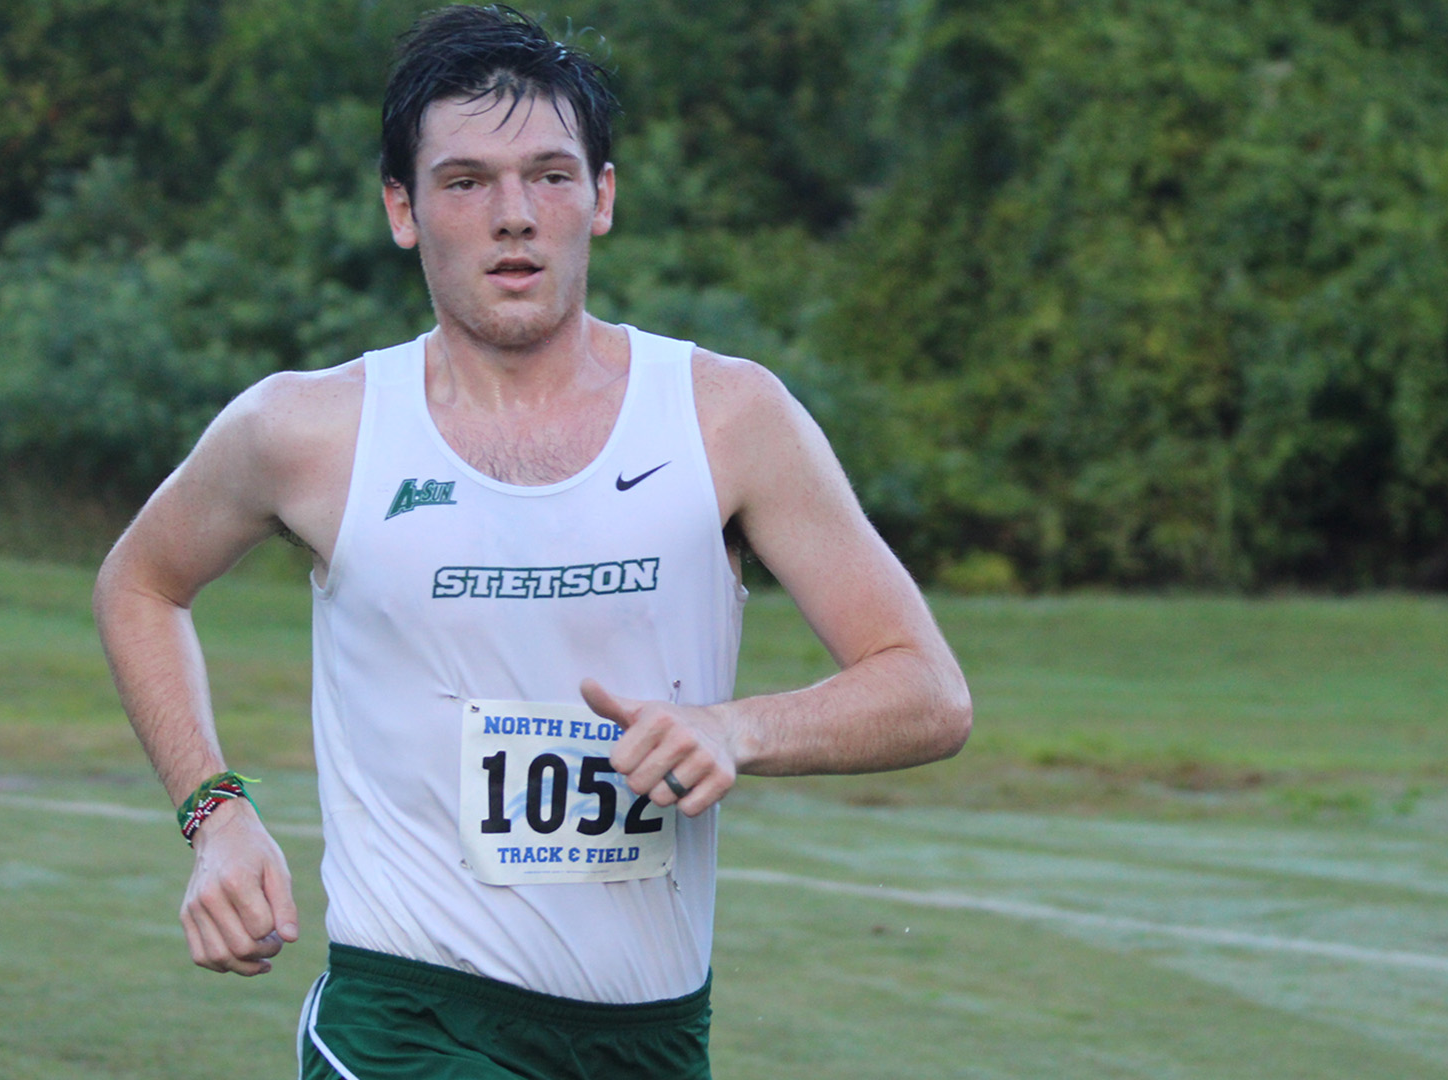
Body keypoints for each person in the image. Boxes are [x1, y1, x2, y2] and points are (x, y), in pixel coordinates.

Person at [92, 5, 971, 1077]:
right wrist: (213, 812)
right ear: (402, 210)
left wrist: (736, 732)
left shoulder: (728, 418)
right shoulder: (308, 430)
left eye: (550, 175)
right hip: (407, 1020)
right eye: (466, 182)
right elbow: (141, 582)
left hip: (647, 1035)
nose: (514, 214)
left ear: (601, 199)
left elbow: (925, 690)